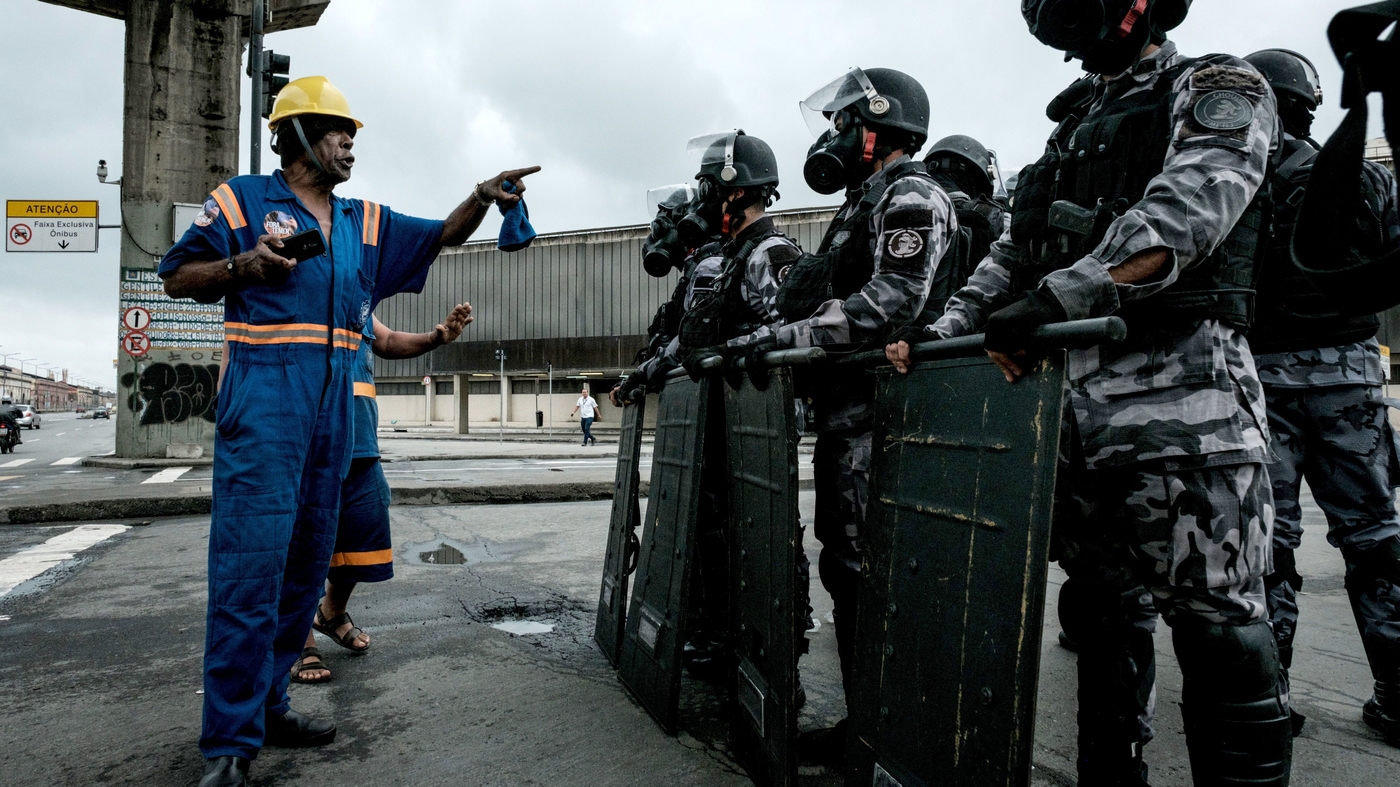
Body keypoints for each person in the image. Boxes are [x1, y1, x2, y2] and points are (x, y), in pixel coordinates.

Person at [887, 1, 1291, 782]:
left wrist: (1064, 294)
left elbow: (1192, 208)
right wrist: (942, 332)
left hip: (1187, 409)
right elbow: (1014, 251)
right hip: (1074, 418)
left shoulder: (1215, 83)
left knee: (1220, 625)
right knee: (1103, 615)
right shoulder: (1072, 127)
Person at [160, 74, 539, 787]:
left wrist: (482, 196)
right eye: (338, 131)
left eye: (352, 134)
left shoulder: (361, 222)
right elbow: (177, 276)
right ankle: (229, 743)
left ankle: (270, 706)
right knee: (249, 569)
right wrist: (243, 264)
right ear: (299, 136)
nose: (349, 144)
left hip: (333, 415)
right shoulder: (242, 201)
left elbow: (440, 235)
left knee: (305, 567)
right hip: (265, 408)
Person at [701, 69, 955, 767]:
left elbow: (890, 303)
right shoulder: (860, 205)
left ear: (879, 127)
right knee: (847, 572)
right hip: (849, 416)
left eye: (843, 124)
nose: (833, 138)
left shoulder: (911, 195)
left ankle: (891, 735)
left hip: (888, 418)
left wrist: (776, 340)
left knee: (877, 578)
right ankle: (865, 725)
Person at [1246, 47, 1400, 746]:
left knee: (1268, 546)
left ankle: (1266, 698)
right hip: (1352, 376)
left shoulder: (1239, 179)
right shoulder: (1366, 174)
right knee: (1375, 537)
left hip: (1262, 378)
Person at [616, 131, 810, 680]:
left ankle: (781, 667)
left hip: (759, 420)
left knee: (768, 539)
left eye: (707, 185)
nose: (700, 197)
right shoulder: (728, 257)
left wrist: (732, 352)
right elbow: (692, 338)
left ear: (734, 189)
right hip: (728, 419)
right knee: (722, 535)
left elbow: (793, 327)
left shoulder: (771, 252)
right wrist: (644, 374)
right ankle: (727, 641)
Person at [290, 302, 474, 683]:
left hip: (361, 442)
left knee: (364, 538)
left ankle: (331, 612)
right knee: (305, 546)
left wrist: (436, 337)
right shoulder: (303, 288)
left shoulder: (357, 295)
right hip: (311, 443)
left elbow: (387, 340)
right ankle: (297, 639)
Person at [923, 134, 1010, 317]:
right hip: (964, 327)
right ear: (978, 175)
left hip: (897, 330)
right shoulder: (996, 218)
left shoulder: (898, 205)